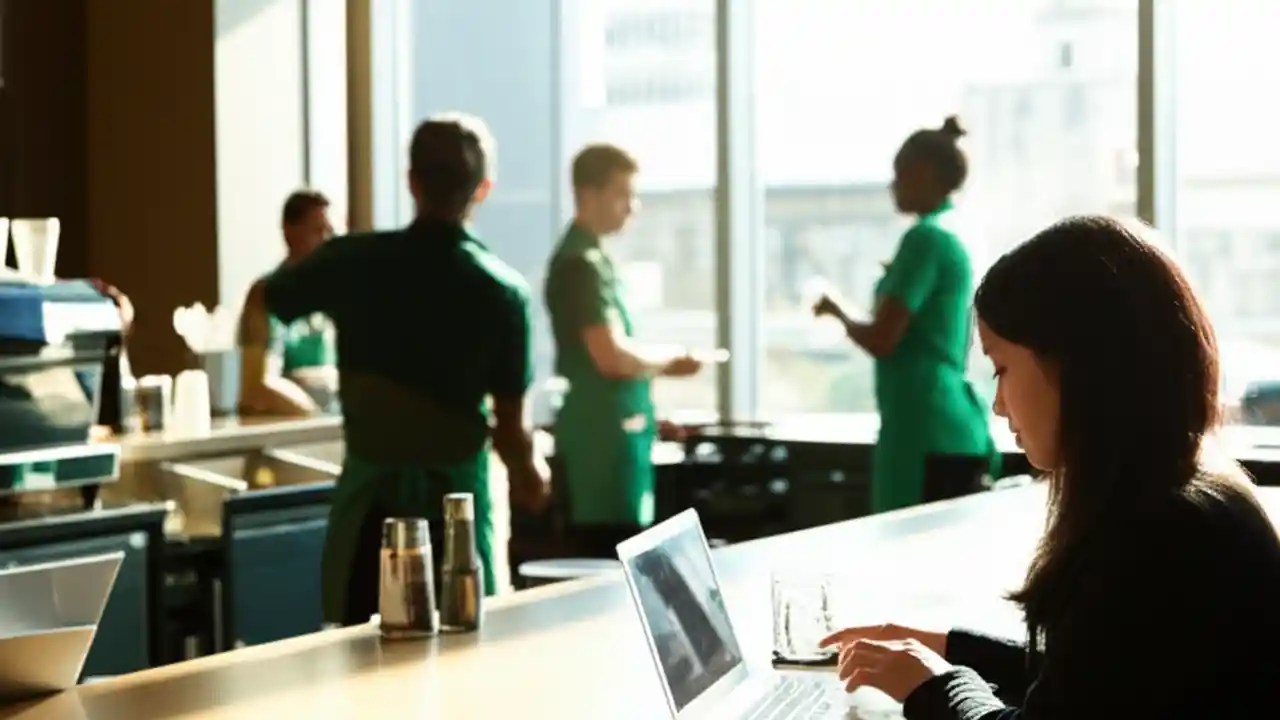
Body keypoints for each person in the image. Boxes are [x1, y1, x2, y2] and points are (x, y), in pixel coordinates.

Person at [820, 216, 1280, 718]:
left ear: (1074, 362)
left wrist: (938, 686)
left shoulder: (1154, 535)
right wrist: (948, 650)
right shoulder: (1191, 496)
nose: (997, 403)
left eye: (1002, 368)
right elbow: (1098, 681)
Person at [263, 114, 550, 624]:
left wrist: (252, 376)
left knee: (362, 672)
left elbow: (268, 298)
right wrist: (533, 478)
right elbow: (510, 430)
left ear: (411, 181)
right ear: (483, 189)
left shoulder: (350, 261)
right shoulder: (501, 293)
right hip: (455, 522)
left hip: (367, 524)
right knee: (462, 671)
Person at [814, 116, 996, 512]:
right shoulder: (952, 233)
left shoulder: (925, 239)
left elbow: (883, 338)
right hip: (947, 427)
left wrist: (838, 313)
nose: (892, 185)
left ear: (923, 172)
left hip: (925, 430)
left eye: (899, 173)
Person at [545, 144, 704, 557]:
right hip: (600, 446)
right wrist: (671, 363)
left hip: (618, 437)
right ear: (589, 194)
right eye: (622, 195)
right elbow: (610, 358)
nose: (631, 208)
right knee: (604, 562)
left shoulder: (595, 260)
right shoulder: (580, 265)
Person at [239, 190, 337, 416]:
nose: (326, 242)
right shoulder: (265, 296)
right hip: (294, 426)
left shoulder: (333, 295)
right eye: (318, 231)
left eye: (329, 232)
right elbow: (257, 384)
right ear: (289, 232)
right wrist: (314, 420)